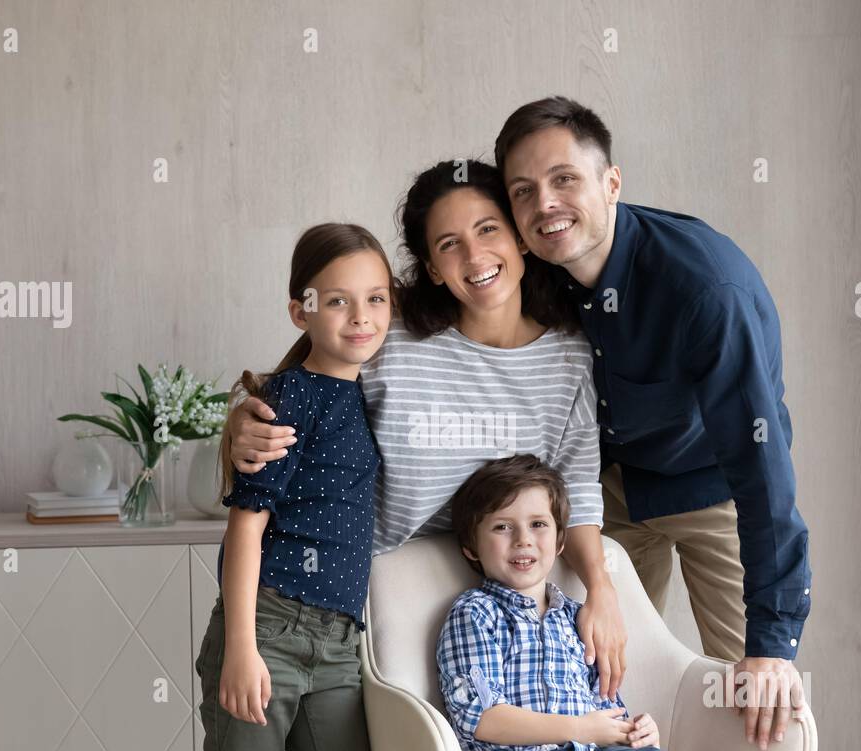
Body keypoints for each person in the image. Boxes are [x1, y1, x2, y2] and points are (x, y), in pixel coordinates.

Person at [228, 159, 629, 699]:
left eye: (488, 229)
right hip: (368, 588)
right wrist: (241, 422)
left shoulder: (569, 357)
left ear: (520, 238)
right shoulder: (390, 334)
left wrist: (601, 588)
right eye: (448, 244)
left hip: (507, 588)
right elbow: (303, 388)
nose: (475, 255)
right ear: (433, 268)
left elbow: (577, 491)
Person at [495, 95, 812, 749]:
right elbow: (401, 320)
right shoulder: (532, 273)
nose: (544, 204)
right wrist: (265, 402)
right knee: (595, 678)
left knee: (755, 699)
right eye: (523, 191)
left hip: (713, 484)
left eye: (564, 180)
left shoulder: (704, 291)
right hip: (609, 489)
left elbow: (763, 466)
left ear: (611, 182)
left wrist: (774, 643)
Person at [437, 454, 767, 751]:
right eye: (503, 527)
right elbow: (480, 718)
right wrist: (580, 728)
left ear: (560, 543)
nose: (523, 539)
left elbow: (604, 703)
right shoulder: (475, 613)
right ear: (470, 547)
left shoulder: (577, 616)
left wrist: (633, 729)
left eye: (538, 525)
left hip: (590, 750)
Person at [194, 222, 390, 751]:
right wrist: (242, 651)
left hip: (338, 650)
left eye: (376, 298)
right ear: (300, 311)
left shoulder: (379, 392)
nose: (361, 317)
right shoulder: (285, 403)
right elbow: (245, 530)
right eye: (337, 301)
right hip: (267, 634)